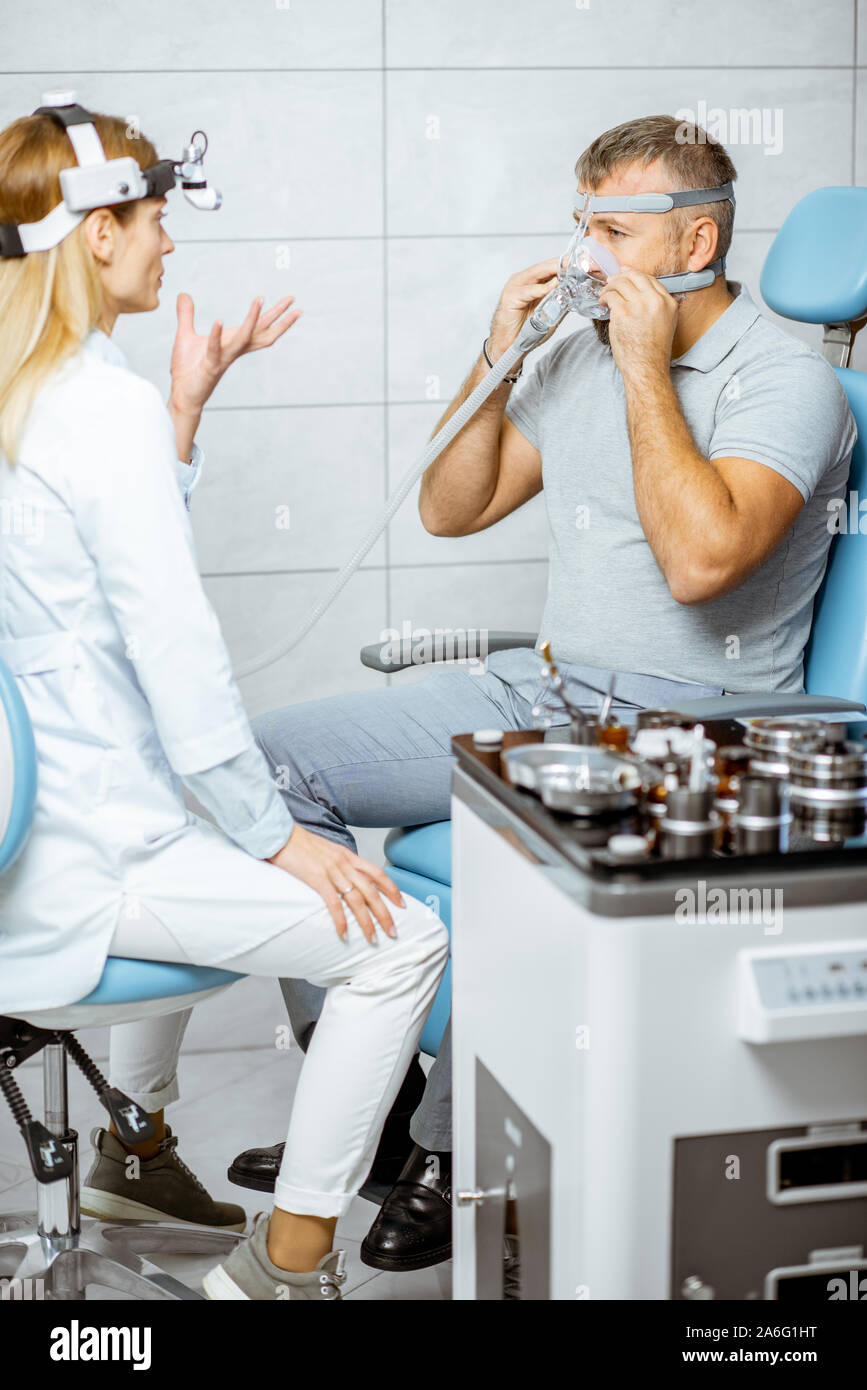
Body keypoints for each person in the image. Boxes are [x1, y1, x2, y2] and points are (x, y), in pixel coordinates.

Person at [228, 113, 858, 1273]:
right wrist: (500, 349)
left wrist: (641, 369)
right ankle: (359, 1110)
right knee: (266, 765)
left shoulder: (788, 383)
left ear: (695, 239)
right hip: (547, 687)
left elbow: (701, 561)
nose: (585, 255)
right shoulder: (571, 349)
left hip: (692, 726)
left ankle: (445, 1155)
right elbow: (450, 507)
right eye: (581, 228)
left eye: (613, 231)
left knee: (530, 867)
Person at [0, 104, 449, 1301]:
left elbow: (87, 582)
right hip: (88, 864)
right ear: (97, 234)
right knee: (402, 942)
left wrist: (182, 410)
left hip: (34, 838)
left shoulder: (35, 394)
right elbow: (173, 648)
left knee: (211, 819)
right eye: (152, 219)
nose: (168, 243)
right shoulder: (100, 408)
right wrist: (281, 838)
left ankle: (136, 1151)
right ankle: (284, 1270)